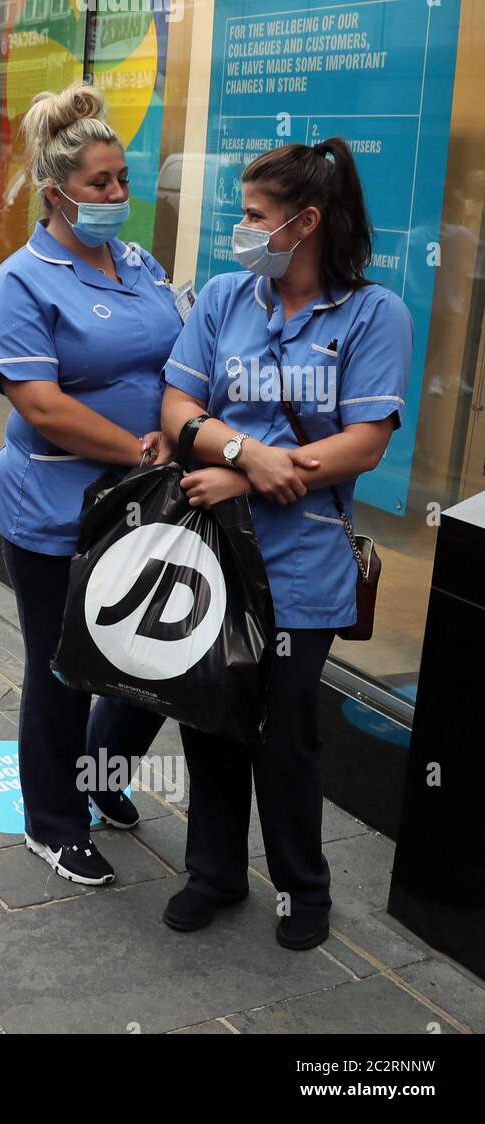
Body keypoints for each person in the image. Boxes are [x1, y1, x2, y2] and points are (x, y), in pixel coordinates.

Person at [159, 138, 411, 950]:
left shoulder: (375, 314)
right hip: (212, 558)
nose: (241, 229)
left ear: (304, 224)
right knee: (208, 717)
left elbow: (365, 442)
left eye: (254, 216)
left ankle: (304, 887)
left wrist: (254, 472)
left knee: (287, 730)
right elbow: (176, 409)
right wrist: (240, 453)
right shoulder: (226, 298)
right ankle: (215, 874)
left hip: (301, 565)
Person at [0, 82, 182, 886]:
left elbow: (176, 357)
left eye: (124, 179)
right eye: (101, 184)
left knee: (151, 659)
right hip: (56, 507)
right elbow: (42, 405)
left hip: (146, 498)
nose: (118, 195)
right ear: (56, 193)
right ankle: (53, 821)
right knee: (63, 666)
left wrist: (177, 422)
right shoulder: (20, 282)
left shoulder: (141, 263)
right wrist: (141, 448)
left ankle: (100, 773)